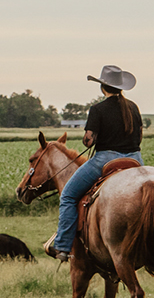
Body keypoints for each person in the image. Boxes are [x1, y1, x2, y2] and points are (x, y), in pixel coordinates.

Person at [44, 65, 143, 262]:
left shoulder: (98, 109)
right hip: (135, 159)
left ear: (102, 87)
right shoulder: (133, 107)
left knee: (68, 195)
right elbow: (139, 136)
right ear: (120, 86)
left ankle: (62, 246)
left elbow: (89, 141)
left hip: (105, 159)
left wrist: (91, 137)